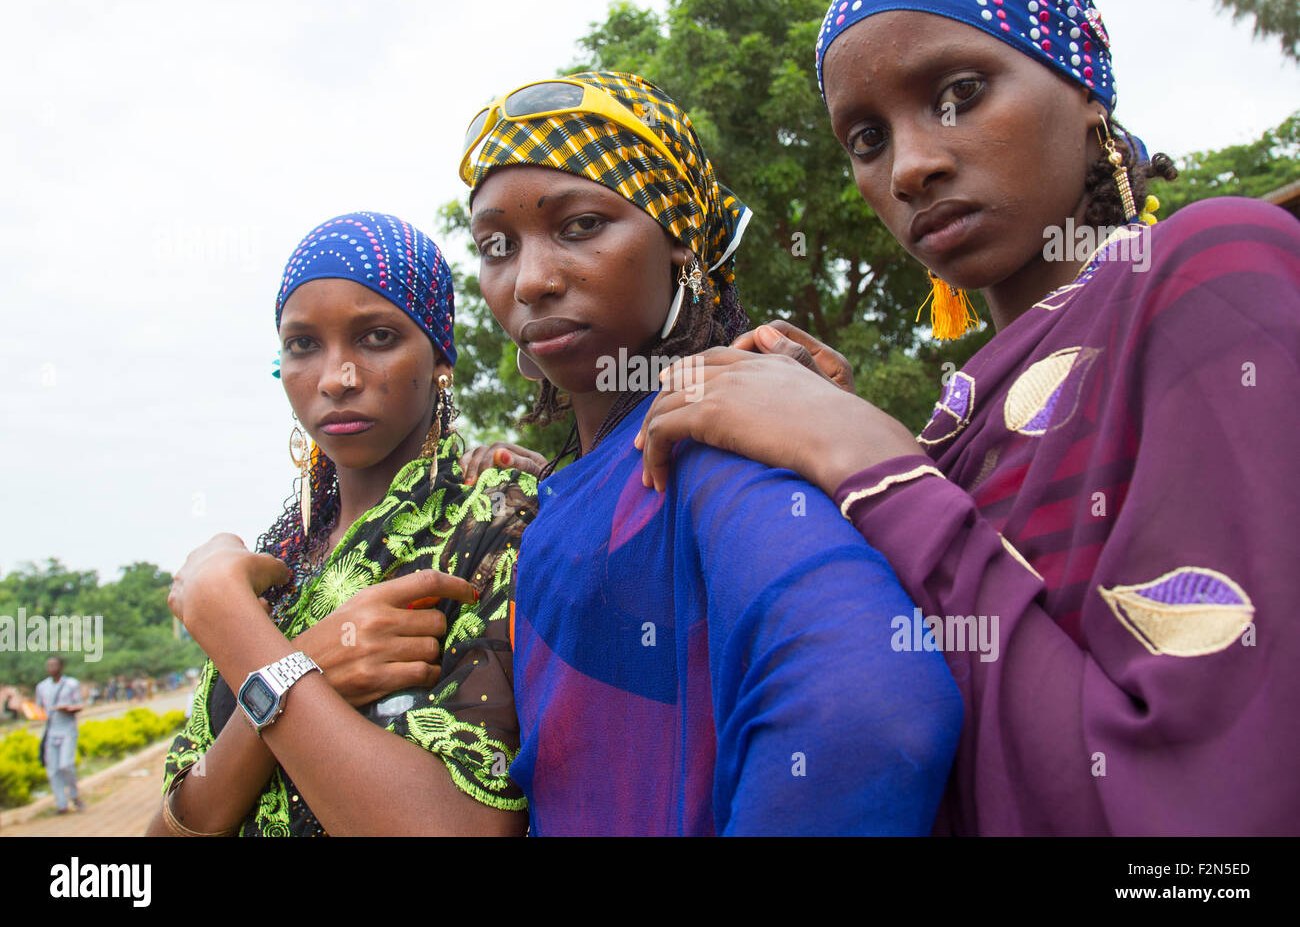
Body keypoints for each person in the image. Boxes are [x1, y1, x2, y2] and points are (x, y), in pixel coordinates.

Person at [635, 0, 1300, 833]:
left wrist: (862, 455)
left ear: (1084, 90)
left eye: (959, 92)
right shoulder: (953, 429)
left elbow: (1205, 830)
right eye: (867, 138)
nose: (910, 166)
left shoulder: (1214, 265)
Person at [462, 70, 963, 835]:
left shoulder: (708, 444)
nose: (530, 280)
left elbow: (872, 714)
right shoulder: (558, 496)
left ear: (682, 244)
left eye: (581, 225)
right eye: (498, 245)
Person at [150, 211, 537, 837]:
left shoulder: (493, 520)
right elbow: (175, 826)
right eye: (303, 344)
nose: (336, 378)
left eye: (377, 337)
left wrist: (225, 616)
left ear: (441, 355)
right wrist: (304, 663)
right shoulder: (281, 560)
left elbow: (463, 828)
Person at [34, 657, 85, 814]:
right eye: (48, 665)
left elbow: (79, 705)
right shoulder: (42, 687)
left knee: (66, 765)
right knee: (53, 770)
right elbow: (38, 709)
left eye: (54, 665)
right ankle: (61, 804)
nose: (51, 667)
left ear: (61, 667)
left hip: (68, 730)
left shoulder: (71, 684)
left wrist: (67, 709)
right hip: (51, 732)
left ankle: (75, 796)